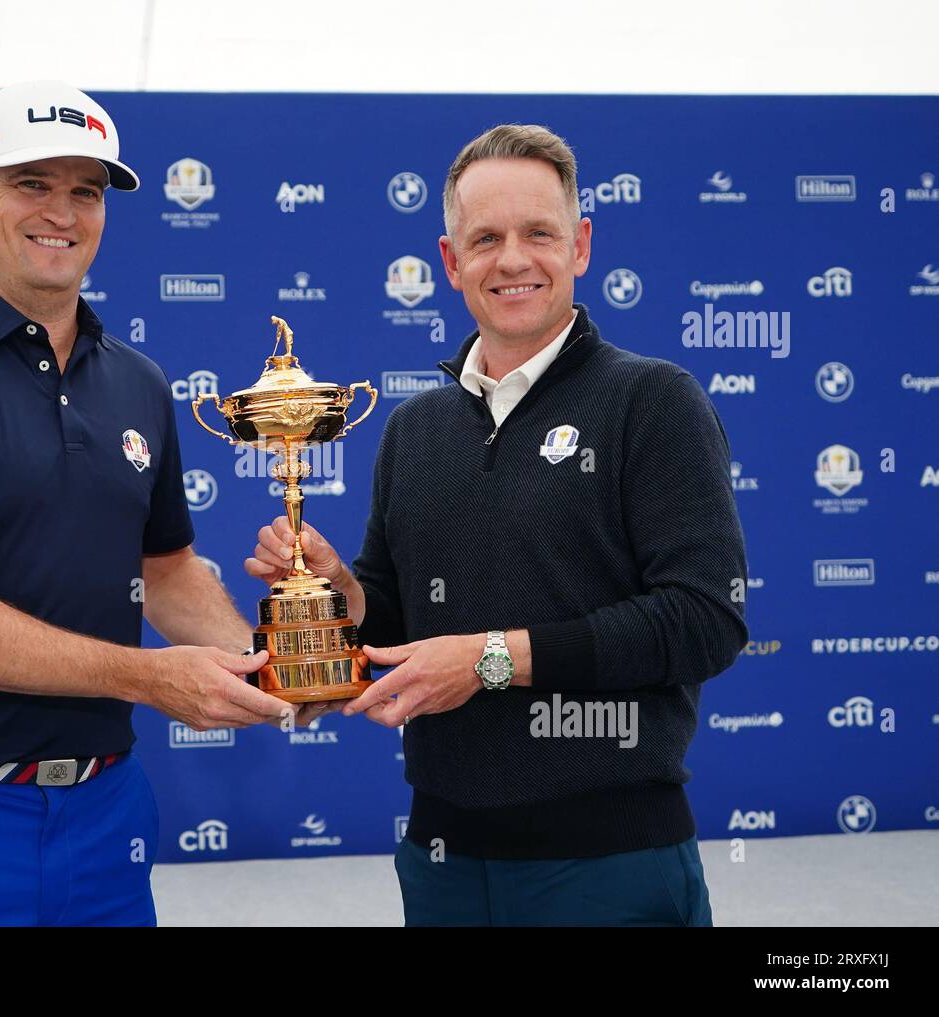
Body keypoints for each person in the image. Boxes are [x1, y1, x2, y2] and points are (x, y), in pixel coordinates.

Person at [247, 123, 747, 927]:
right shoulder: (415, 428)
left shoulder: (653, 401)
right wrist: (339, 593)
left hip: (609, 865)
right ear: (451, 262)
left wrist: (486, 660)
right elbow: (399, 617)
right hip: (443, 859)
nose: (513, 259)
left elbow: (703, 620)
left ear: (581, 245)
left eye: (538, 233)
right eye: (485, 238)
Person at [0, 80, 288, 927]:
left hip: (107, 814)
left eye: (86, 190)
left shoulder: (139, 382)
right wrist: (149, 677)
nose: (63, 212)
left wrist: (279, 668)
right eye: (34, 183)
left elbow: (167, 571)